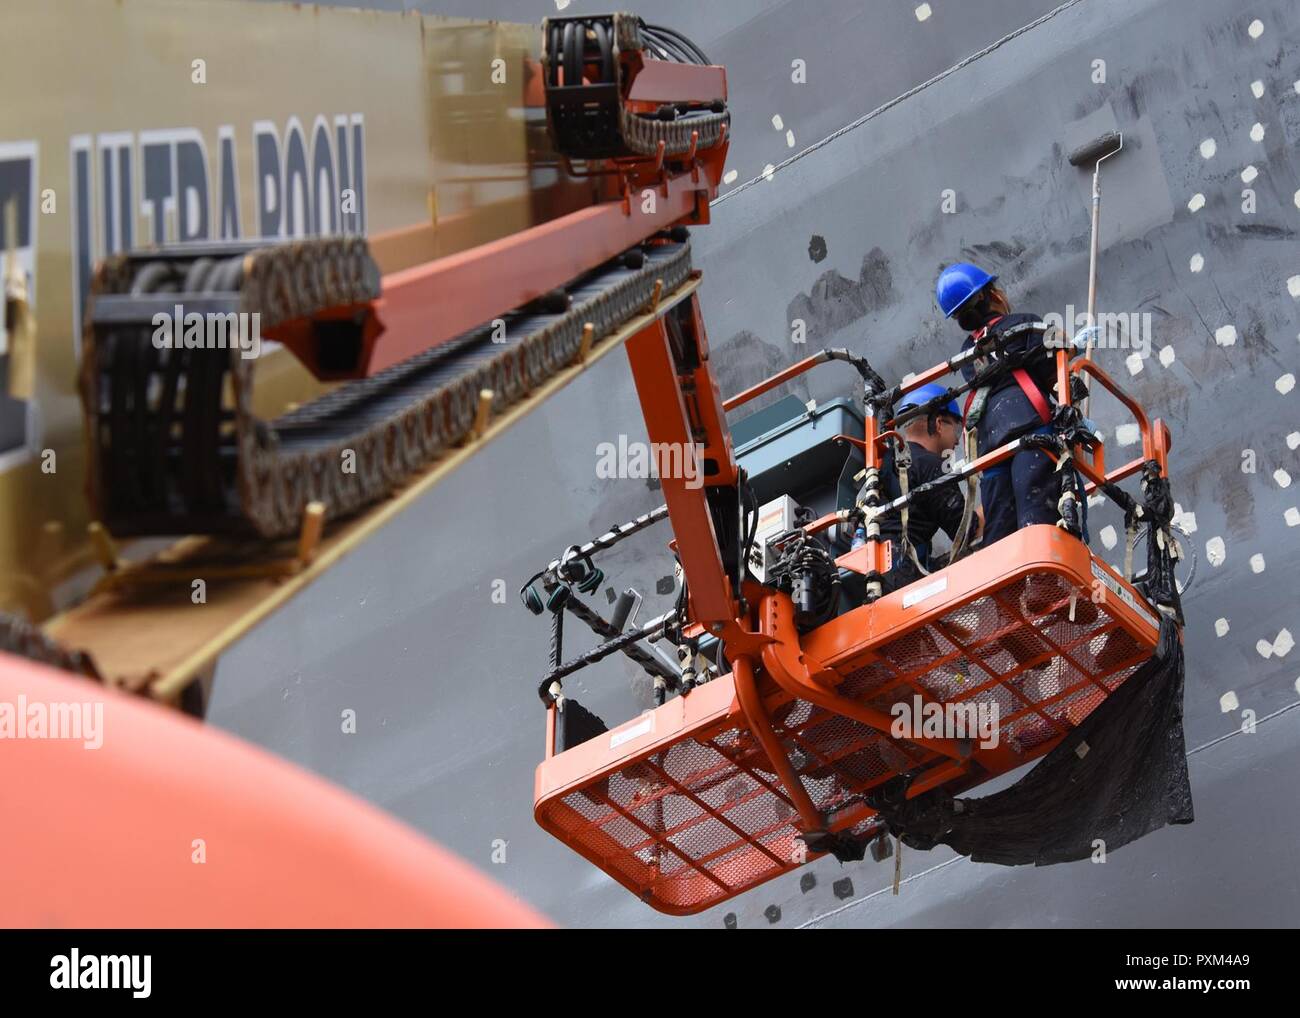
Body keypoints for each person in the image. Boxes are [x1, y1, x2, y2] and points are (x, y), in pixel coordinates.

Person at [935, 262, 1064, 548]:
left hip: (989, 446)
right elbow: (1055, 373)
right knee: (1034, 504)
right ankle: (1041, 576)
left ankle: (1007, 585)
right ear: (991, 295)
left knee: (1000, 519)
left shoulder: (966, 354)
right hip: (1030, 427)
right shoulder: (1025, 324)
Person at [872, 382, 979, 593]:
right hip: (900, 573)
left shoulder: (885, 462)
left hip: (875, 571)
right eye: (956, 428)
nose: (957, 440)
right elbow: (966, 529)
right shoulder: (929, 465)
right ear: (939, 424)